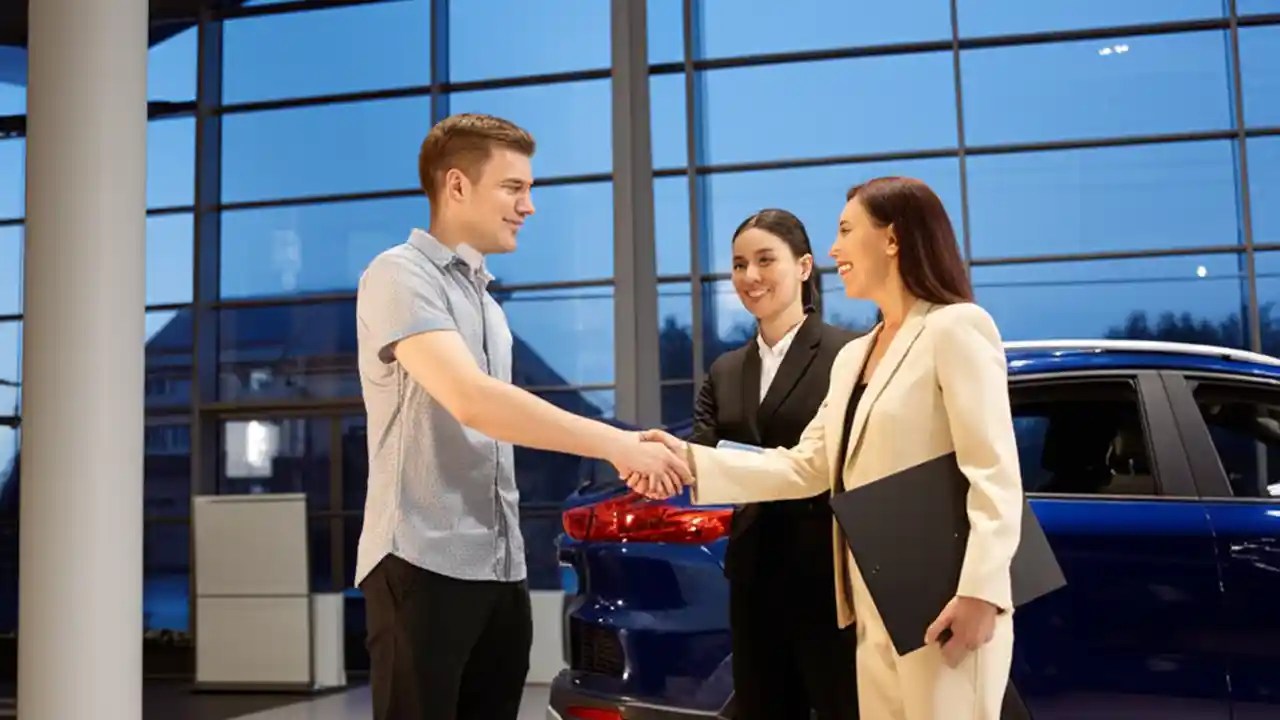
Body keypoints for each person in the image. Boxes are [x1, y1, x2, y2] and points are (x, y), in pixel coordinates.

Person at [632, 176, 1024, 720]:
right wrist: (685, 458)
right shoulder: (855, 356)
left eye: (846, 231)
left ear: (892, 239)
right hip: (867, 604)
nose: (834, 250)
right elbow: (806, 465)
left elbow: (994, 471)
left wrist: (983, 591)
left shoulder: (956, 327)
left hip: (943, 599)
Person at [353, 112, 691, 720]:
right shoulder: (398, 275)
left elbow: (506, 419)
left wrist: (630, 444)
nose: (528, 206)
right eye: (514, 188)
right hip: (422, 564)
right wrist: (615, 444)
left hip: (499, 569)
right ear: (456, 186)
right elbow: (473, 400)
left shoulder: (488, 305)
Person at [690, 209, 860, 719]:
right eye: (740, 264)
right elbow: (702, 463)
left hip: (830, 578)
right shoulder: (725, 371)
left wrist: (729, 464)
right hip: (754, 577)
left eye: (766, 260)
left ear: (805, 267)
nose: (750, 276)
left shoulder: (847, 355)